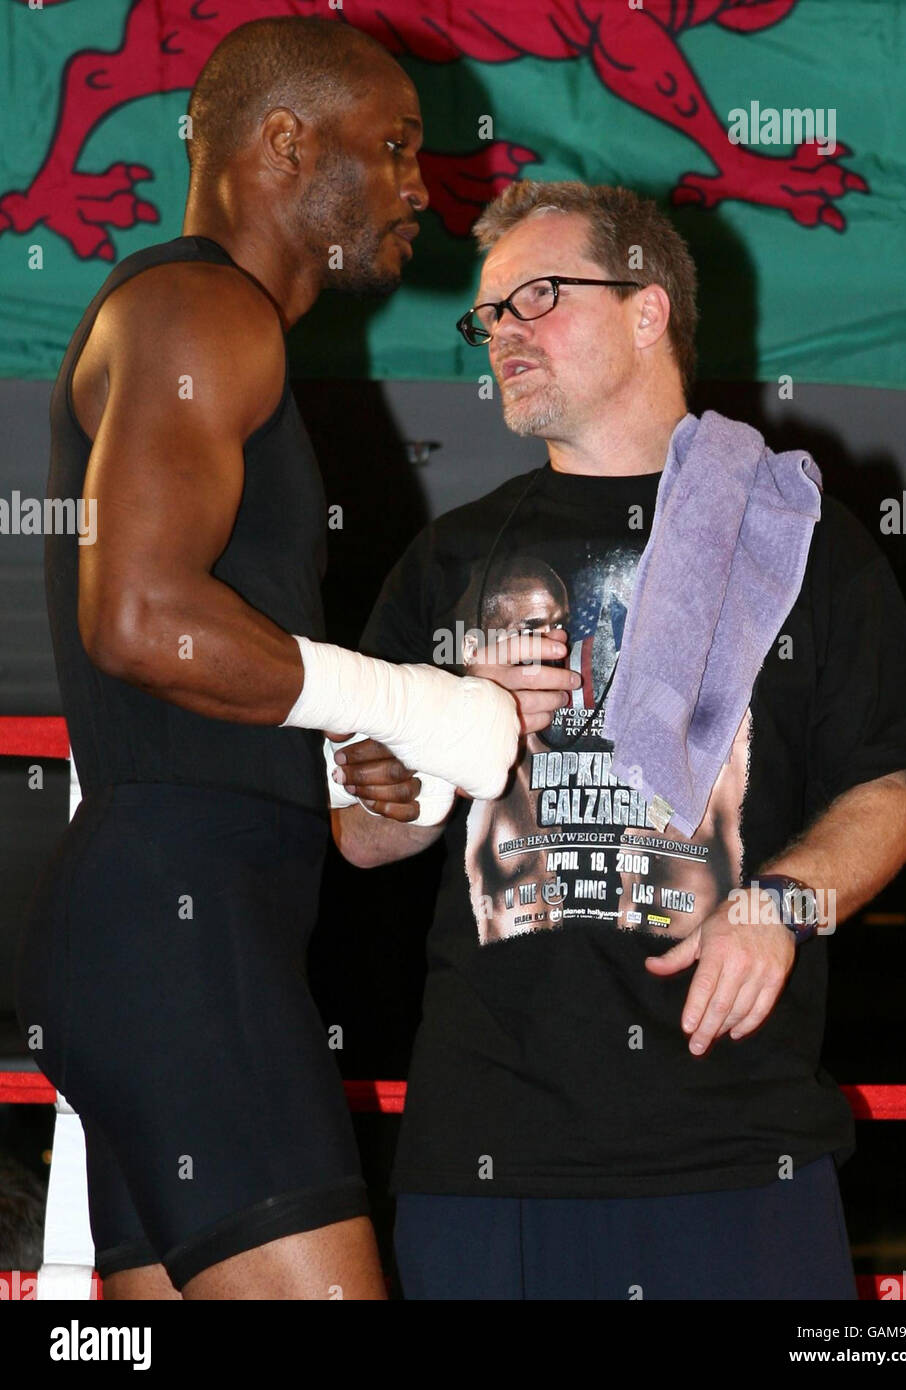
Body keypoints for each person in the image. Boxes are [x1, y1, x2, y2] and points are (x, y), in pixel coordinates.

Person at [330, 179, 906, 1300]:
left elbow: (890, 788)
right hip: (489, 1153)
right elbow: (360, 835)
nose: (504, 336)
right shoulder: (445, 560)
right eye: (489, 316)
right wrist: (441, 732)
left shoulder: (796, 539)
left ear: (646, 308)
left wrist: (780, 904)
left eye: (538, 297)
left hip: (736, 1142)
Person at [16, 17, 518, 1302]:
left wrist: (335, 755)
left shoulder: (210, 323)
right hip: (182, 927)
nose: (423, 183)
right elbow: (136, 616)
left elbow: (187, 641)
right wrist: (401, 696)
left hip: (166, 918)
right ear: (283, 143)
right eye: (396, 146)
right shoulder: (198, 307)